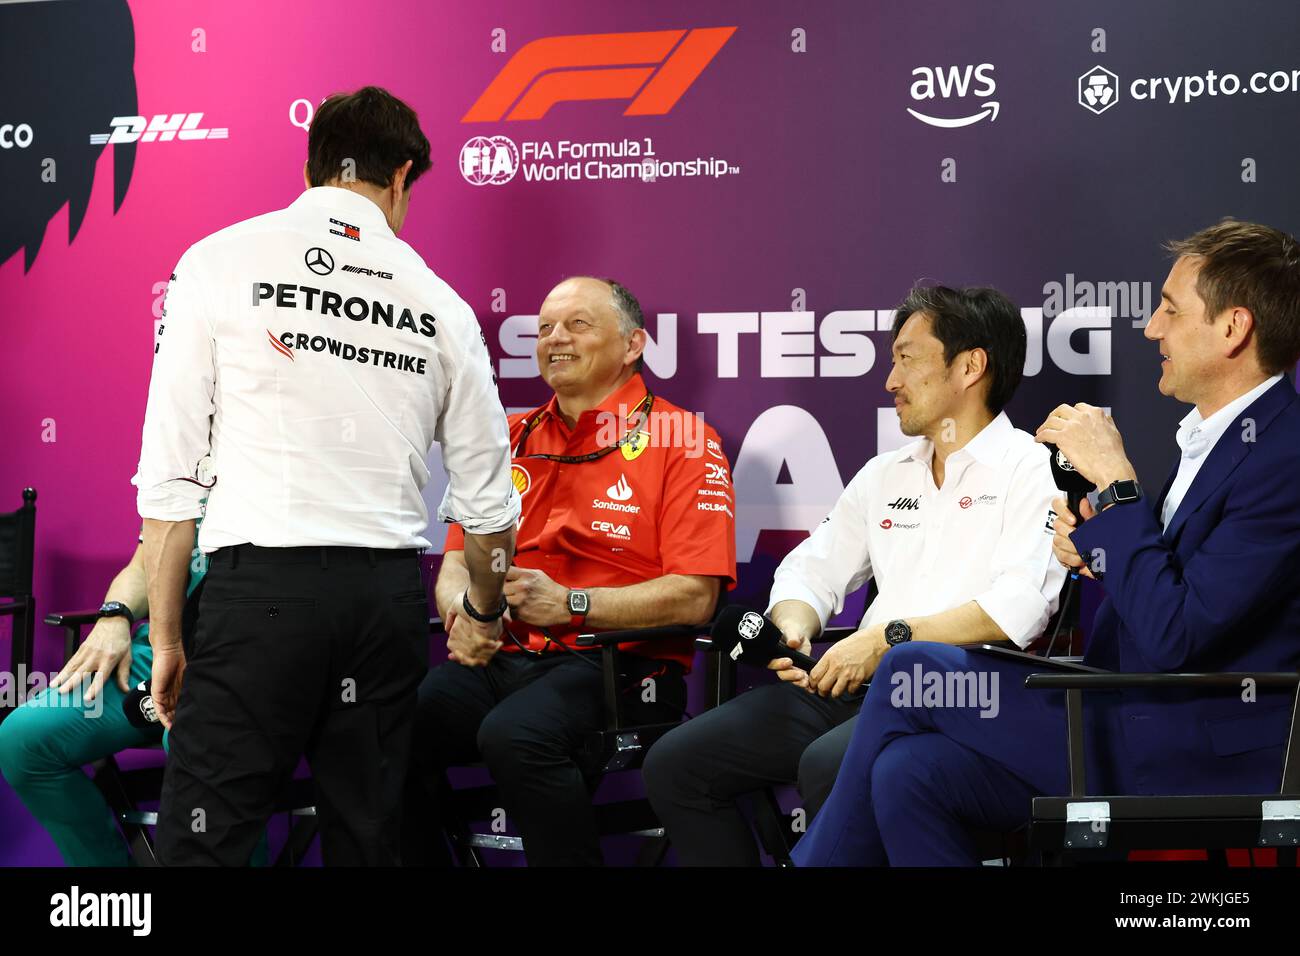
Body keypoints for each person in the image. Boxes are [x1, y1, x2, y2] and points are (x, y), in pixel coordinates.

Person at [794, 219, 1300, 866]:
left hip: (1188, 748)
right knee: (909, 772)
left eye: (1171, 311)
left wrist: (1117, 485)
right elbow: (1182, 589)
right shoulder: (1222, 438)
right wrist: (1100, 555)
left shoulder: (1283, 455)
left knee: (909, 667)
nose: (1151, 329)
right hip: (1127, 713)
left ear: (1234, 328)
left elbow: (1181, 635)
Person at [133, 86, 519, 866]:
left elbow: (172, 487)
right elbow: (488, 509)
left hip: (258, 604)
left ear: (311, 166)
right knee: (370, 838)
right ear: (404, 175)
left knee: (206, 842)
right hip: (382, 605)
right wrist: (481, 607)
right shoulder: (439, 304)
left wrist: (168, 637)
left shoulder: (217, 261)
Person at [643, 284, 1065, 865]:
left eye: (906, 359)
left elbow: (1018, 609)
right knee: (676, 763)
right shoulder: (884, 473)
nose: (891, 380)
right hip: (850, 688)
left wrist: (886, 640)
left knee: (827, 764)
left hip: (957, 697)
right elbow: (812, 568)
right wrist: (793, 625)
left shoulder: (1032, 469)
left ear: (969, 366)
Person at [402, 276, 737, 866]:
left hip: (617, 669)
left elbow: (695, 598)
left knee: (515, 734)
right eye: (545, 328)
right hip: (502, 657)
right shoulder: (509, 436)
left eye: (578, 325)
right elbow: (456, 558)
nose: (556, 339)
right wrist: (466, 609)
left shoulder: (683, 440)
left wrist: (575, 603)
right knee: (388, 727)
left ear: (634, 344)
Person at [0, 527, 204, 865]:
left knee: (201, 742)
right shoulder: (176, 478)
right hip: (152, 656)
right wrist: (114, 616)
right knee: (22, 741)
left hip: (227, 660)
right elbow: (141, 567)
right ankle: (111, 903)